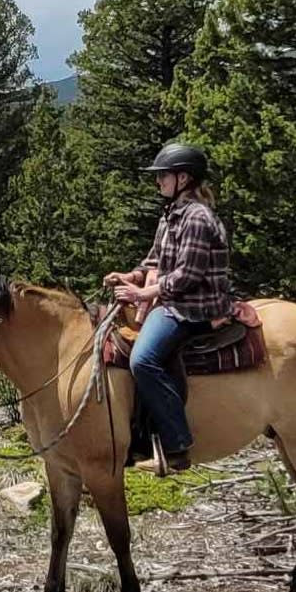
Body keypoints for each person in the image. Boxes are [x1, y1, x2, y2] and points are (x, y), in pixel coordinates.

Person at [103, 142, 234, 474]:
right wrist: (130, 276)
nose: (158, 180)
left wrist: (142, 293)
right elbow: (154, 260)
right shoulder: (172, 213)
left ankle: (177, 445)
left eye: (164, 175)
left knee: (143, 359)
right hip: (174, 301)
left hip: (194, 307)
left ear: (183, 178)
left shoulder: (197, 217)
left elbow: (188, 275)